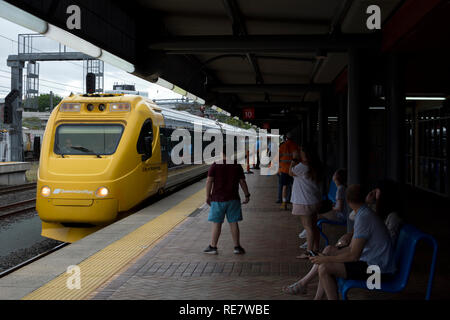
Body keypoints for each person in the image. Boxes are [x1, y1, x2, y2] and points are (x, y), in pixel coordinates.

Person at [204, 152, 251, 255]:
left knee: (217, 223)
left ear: (221, 153)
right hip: (233, 199)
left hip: (217, 200)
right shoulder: (236, 165)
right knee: (233, 223)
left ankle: (213, 247)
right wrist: (247, 195)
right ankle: (237, 247)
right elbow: (242, 181)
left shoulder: (215, 165)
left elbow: (209, 181)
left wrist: (207, 196)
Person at [300, 168, 351, 249]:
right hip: (341, 214)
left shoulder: (340, 189)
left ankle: (308, 235)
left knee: (315, 217)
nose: (333, 175)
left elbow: (339, 208)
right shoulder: (342, 188)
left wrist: (332, 208)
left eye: (335, 174)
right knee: (315, 215)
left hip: (340, 216)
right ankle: (308, 235)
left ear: (337, 177)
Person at [289, 145, 323, 258]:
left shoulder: (302, 166)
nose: (300, 153)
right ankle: (316, 249)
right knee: (314, 226)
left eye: (301, 152)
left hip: (304, 202)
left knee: (308, 227)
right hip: (315, 201)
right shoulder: (316, 165)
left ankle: (309, 251)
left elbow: (290, 172)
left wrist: (294, 159)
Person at [277, 132, 300, 209]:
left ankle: (284, 204)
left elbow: (278, 158)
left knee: (284, 186)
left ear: (286, 138)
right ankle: (294, 202)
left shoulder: (282, 146)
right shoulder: (295, 146)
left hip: (284, 170)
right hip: (294, 170)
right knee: (294, 186)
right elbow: (297, 157)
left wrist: (279, 168)